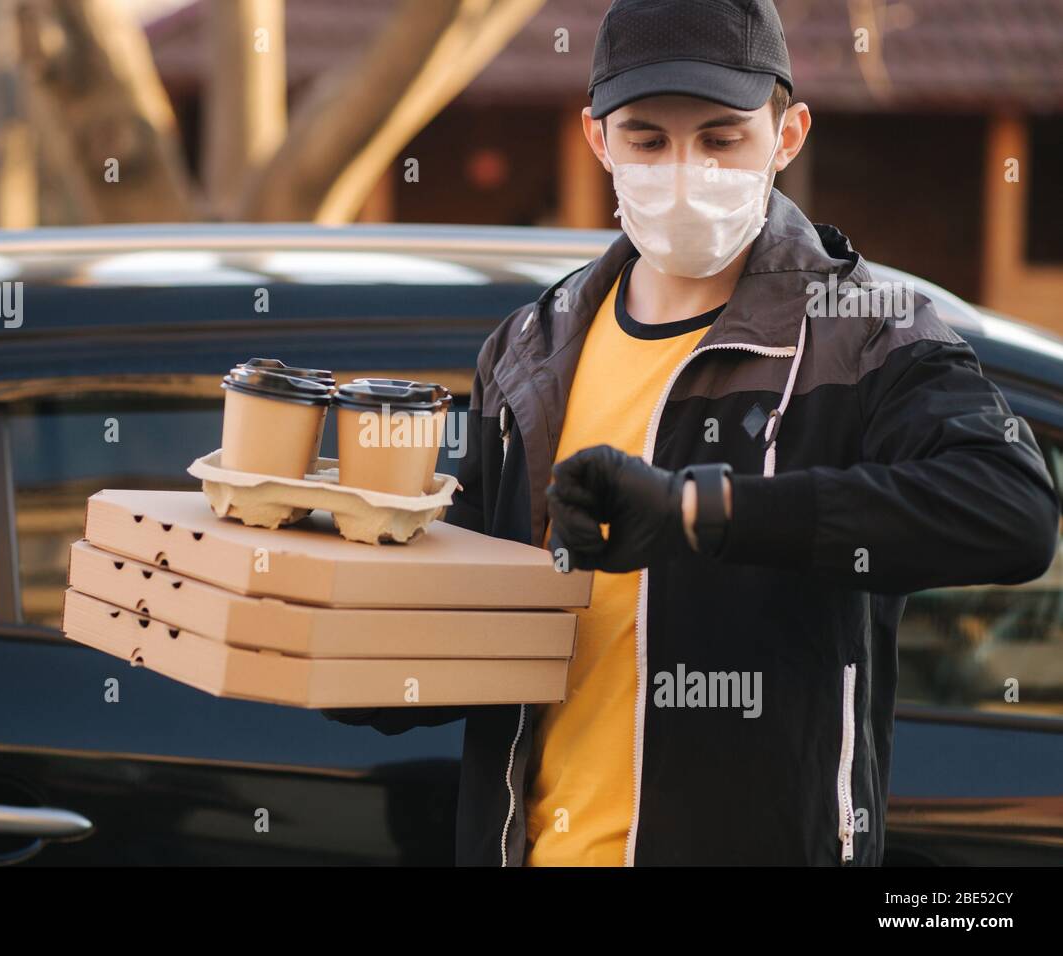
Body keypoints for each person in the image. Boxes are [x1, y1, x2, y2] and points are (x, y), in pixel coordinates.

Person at [323, 0, 1059, 866]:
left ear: (787, 136)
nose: (683, 173)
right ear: (598, 140)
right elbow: (486, 625)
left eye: (720, 140)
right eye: (648, 140)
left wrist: (700, 513)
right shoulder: (530, 349)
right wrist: (355, 660)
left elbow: (1011, 510)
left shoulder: (865, 330)